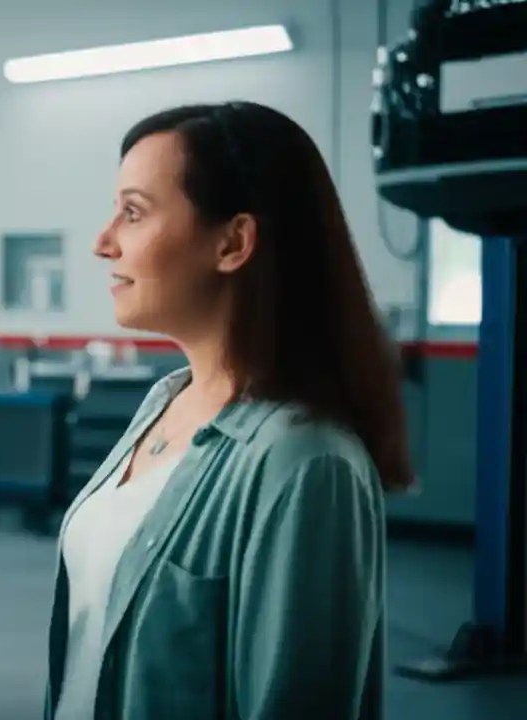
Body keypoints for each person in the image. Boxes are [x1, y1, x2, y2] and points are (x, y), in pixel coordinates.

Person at [45, 101, 410, 720]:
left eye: (133, 212)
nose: (103, 243)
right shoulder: (165, 401)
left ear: (234, 241)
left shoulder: (305, 462)